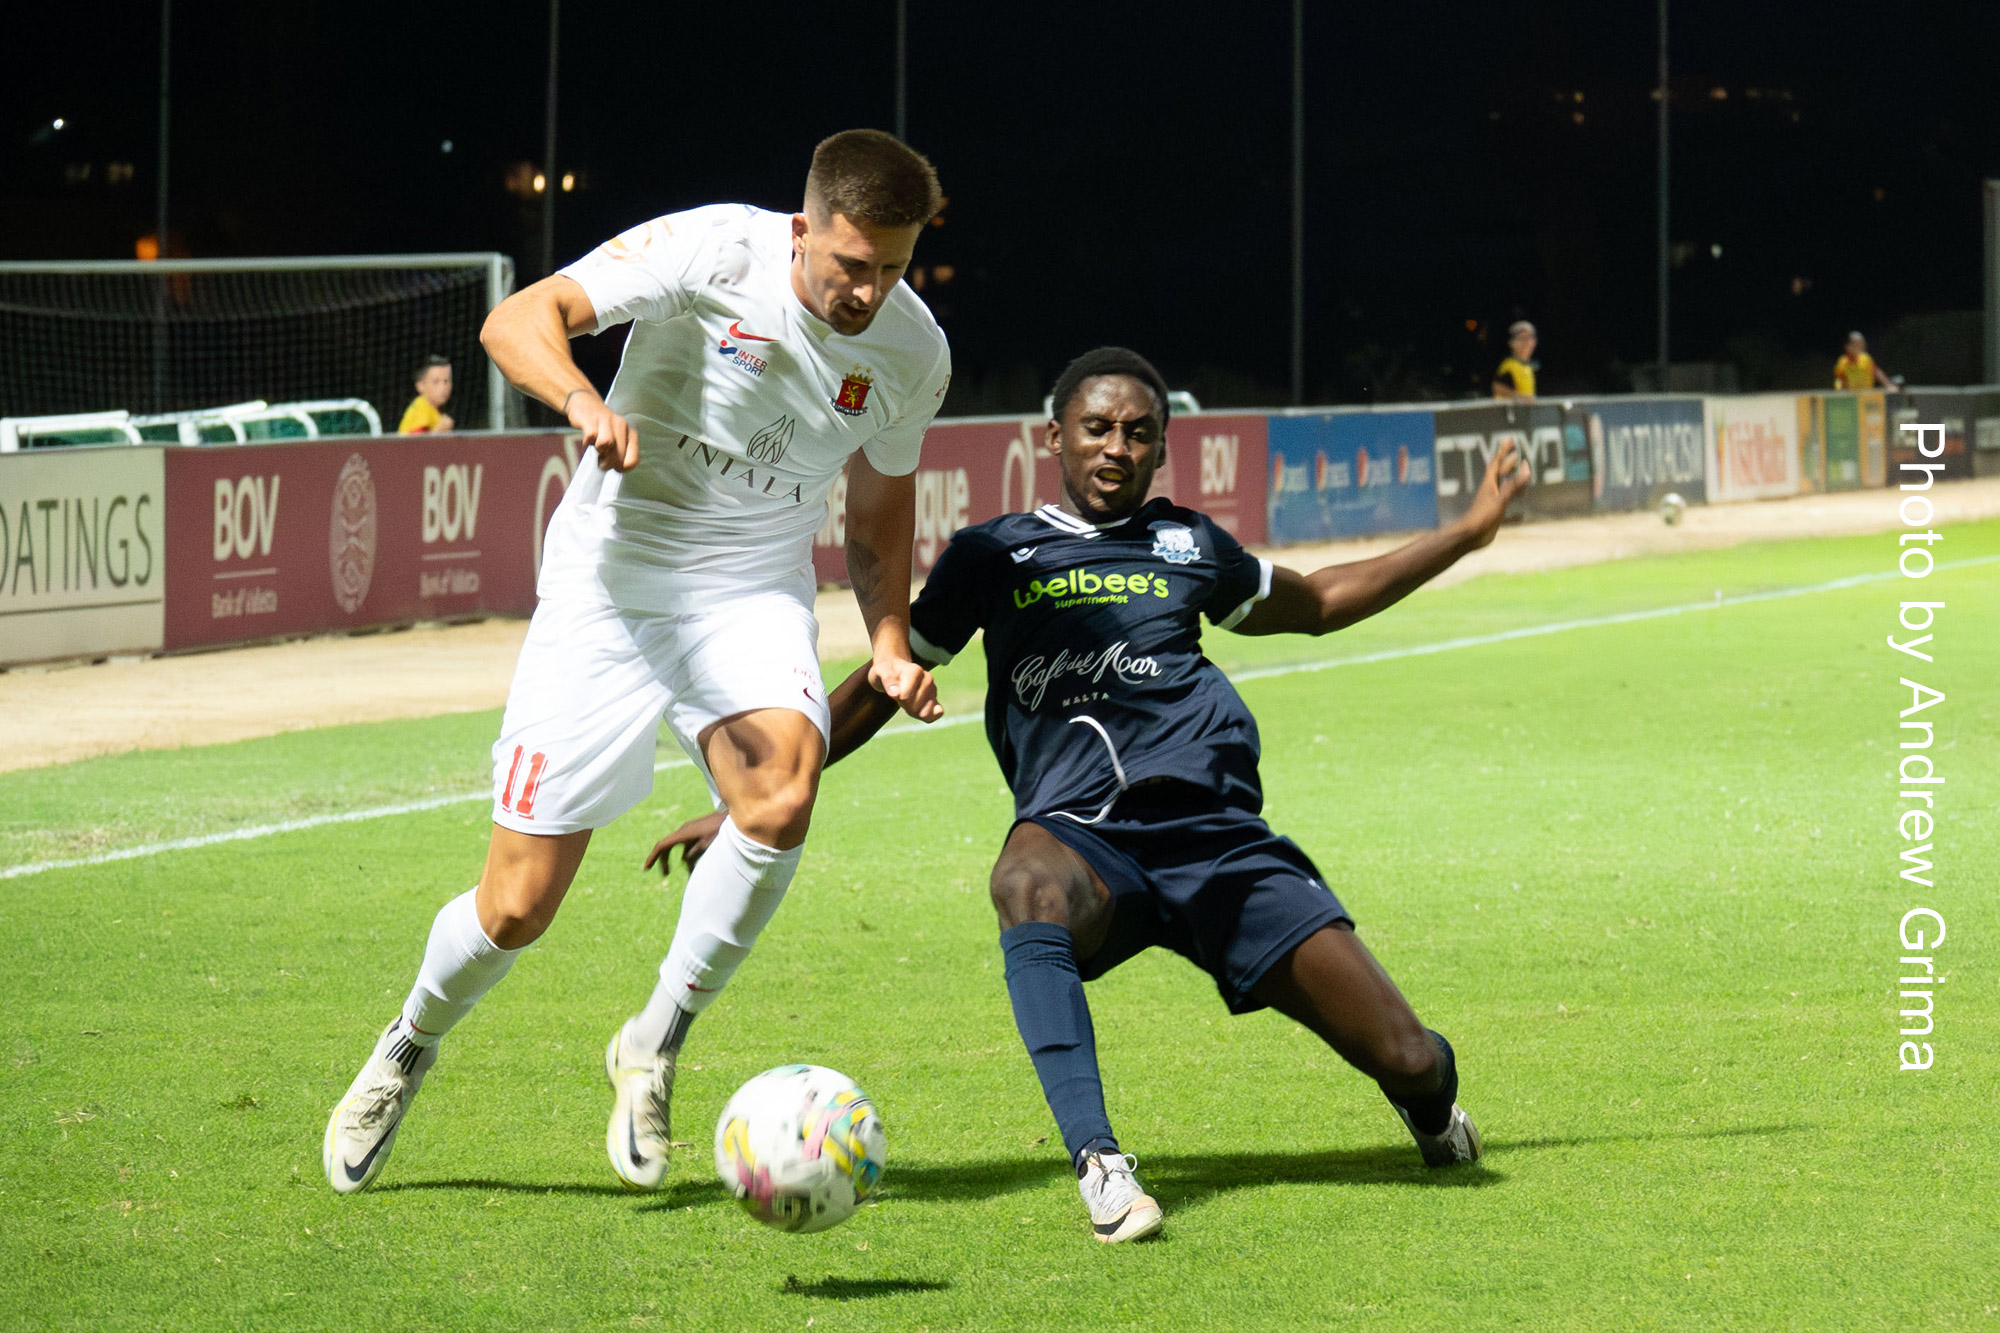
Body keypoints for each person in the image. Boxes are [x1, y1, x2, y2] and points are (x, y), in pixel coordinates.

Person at [653, 347, 1529, 1243]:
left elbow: (1318, 599)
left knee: (1413, 1059)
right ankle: (1102, 1165)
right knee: (1023, 883)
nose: (1116, 447)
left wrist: (1463, 534)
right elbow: (881, 684)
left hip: (1217, 840)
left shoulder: (1187, 544)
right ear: (1055, 438)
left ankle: (1431, 1114)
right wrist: (753, 803)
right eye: (1098, 428)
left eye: (1138, 432)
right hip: (1083, 840)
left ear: (1161, 449)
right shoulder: (993, 555)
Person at [323, 129, 953, 1195]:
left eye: (892, 267)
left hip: (747, 588)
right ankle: (408, 1041)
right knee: (516, 905)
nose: (869, 290)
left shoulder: (909, 349)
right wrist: (581, 401)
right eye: (852, 264)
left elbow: (882, 504)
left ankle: (653, 1038)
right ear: (802, 230)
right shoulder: (711, 250)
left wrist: (887, 641)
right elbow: (518, 318)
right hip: (610, 579)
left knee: (781, 795)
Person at [397, 354, 456, 433]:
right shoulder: (421, 409)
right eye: (436, 382)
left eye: (446, 381)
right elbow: (415, 443)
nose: (443, 387)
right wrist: (439, 430)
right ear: (420, 386)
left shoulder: (432, 410)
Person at [1834, 331, 1899, 392]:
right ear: (1848, 346)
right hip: (1850, 396)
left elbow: (1877, 372)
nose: (1861, 347)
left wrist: (1889, 385)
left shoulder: (1866, 358)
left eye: (1862, 344)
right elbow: (1841, 379)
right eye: (1857, 344)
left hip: (1866, 394)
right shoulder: (1842, 362)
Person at [1491, 320, 1537, 399]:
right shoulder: (1508, 365)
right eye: (1521, 338)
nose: (1526, 342)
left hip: (1524, 410)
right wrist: (1520, 398)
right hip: (1509, 410)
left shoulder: (1528, 366)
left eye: (1529, 338)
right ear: (1511, 343)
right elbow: (1497, 387)